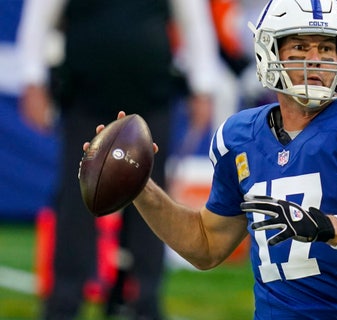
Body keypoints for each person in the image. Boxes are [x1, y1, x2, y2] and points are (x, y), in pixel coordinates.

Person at [85, 0, 337, 318]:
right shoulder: (240, 137)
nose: (316, 59)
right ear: (269, 50)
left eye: (327, 48)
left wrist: (325, 226)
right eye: (300, 47)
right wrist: (140, 186)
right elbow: (206, 246)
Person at [17, 0, 221, 318]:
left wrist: (203, 85)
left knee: (152, 201)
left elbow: (193, 19)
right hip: (85, 99)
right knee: (78, 203)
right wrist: (32, 80)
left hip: (150, 97)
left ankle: (145, 299)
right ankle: (64, 300)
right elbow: (39, 16)